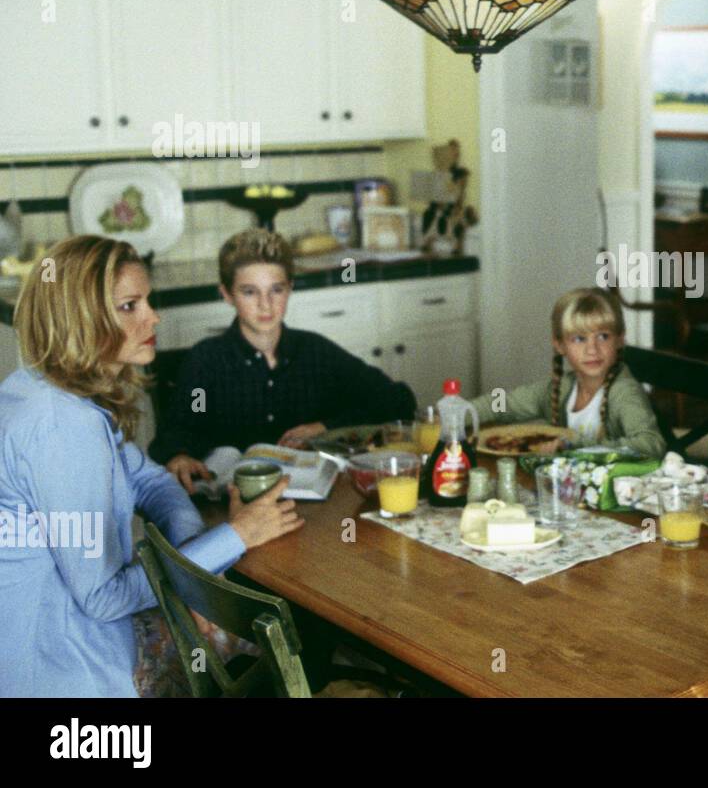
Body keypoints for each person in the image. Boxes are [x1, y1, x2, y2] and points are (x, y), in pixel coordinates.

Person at [0, 235, 303, 697]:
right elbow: (104, 598)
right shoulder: (62, 426)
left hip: (55, 635)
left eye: (146, 301)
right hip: (64, 667)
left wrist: (193, 551)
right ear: (79, 316)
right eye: (129, 306)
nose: (153, 317)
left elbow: (150, 478)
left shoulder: (41, 384)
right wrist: (235, 538)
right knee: (265, 635)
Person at [150, 229, 416, 491]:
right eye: (249, 292)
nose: (265, 305)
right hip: (232, 510)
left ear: (290, 288)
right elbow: (181, 425)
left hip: (315, 507)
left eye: (276, 290)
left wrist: (325, 427)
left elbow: (396, 400)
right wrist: (179, 455)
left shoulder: (316, 352)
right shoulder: (206, 362)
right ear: (227, 295)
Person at [469, 288, 666, 458]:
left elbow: (651, 443)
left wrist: (582, 447)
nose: (592, 349)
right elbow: (502, 402)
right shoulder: (561, 388)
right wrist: (458, 413)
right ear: (560, 345)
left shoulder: (624, 392)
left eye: (603, 336)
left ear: (620, 339)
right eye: (579, 339)